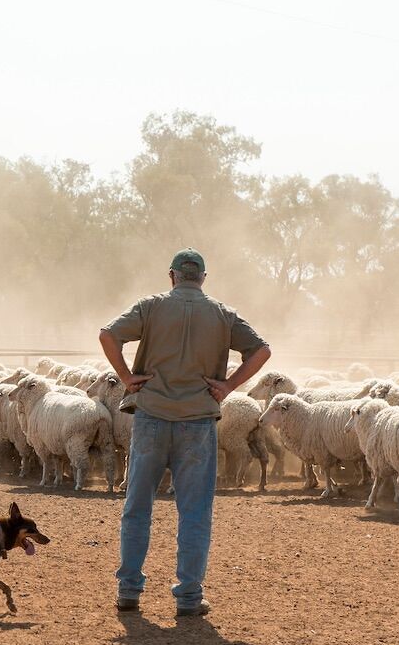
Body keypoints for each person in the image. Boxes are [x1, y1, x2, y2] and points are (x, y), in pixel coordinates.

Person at [98, 249, 271, 617]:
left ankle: (129, 591)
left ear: (172, 275)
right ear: (203, 278)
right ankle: (189, 598)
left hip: (151, 417)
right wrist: (228, 386)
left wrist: (127, 377)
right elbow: (262, 351)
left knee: (137, 508)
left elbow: (108, 335)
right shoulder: (223, 314)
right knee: (194, 513)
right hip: (197, 422)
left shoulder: (151, 306)